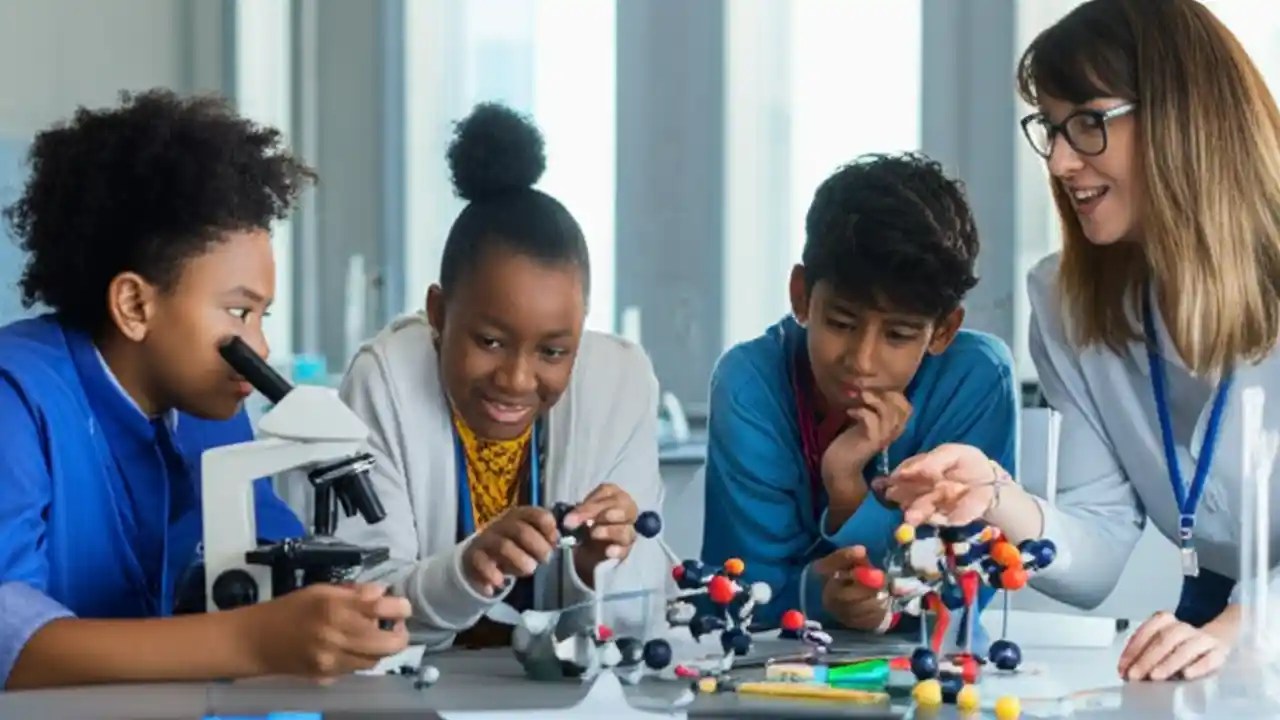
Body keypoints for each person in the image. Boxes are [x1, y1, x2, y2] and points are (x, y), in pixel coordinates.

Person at [878, 0, 1280, 684]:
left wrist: (1253, 623)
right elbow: (1094, 557)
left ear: (1187, 120)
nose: (1062, 162)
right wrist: (997, 495)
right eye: (1052, 128)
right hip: (1215, 624)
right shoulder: (1066, 303)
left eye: (1090, 123)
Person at [0, 89, 410, 691]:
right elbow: (14, 647)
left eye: (263, 318)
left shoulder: (208, 411)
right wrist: (253, 639)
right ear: (135, 304)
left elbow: (268, 549)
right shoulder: (18, 399)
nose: (261, 349)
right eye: (239, 314)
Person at [328, 103, 667, 650]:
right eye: (489, 342)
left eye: (554, 351)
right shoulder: (385, 379)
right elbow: (359, 604)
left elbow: (634, 621)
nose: (515, 379)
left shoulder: (620, 383)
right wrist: (466, 571)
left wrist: (591, 567)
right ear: (437, 314)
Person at [700, 153, 1018, 636]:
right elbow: (739, 592)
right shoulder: (749, 385)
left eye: (898, 335)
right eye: (841, 323)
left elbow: (968, 579)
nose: (862, 361)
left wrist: (848, 488)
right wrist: (823, 599)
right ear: (802, 295)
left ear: (943, 329)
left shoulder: (974, 379)